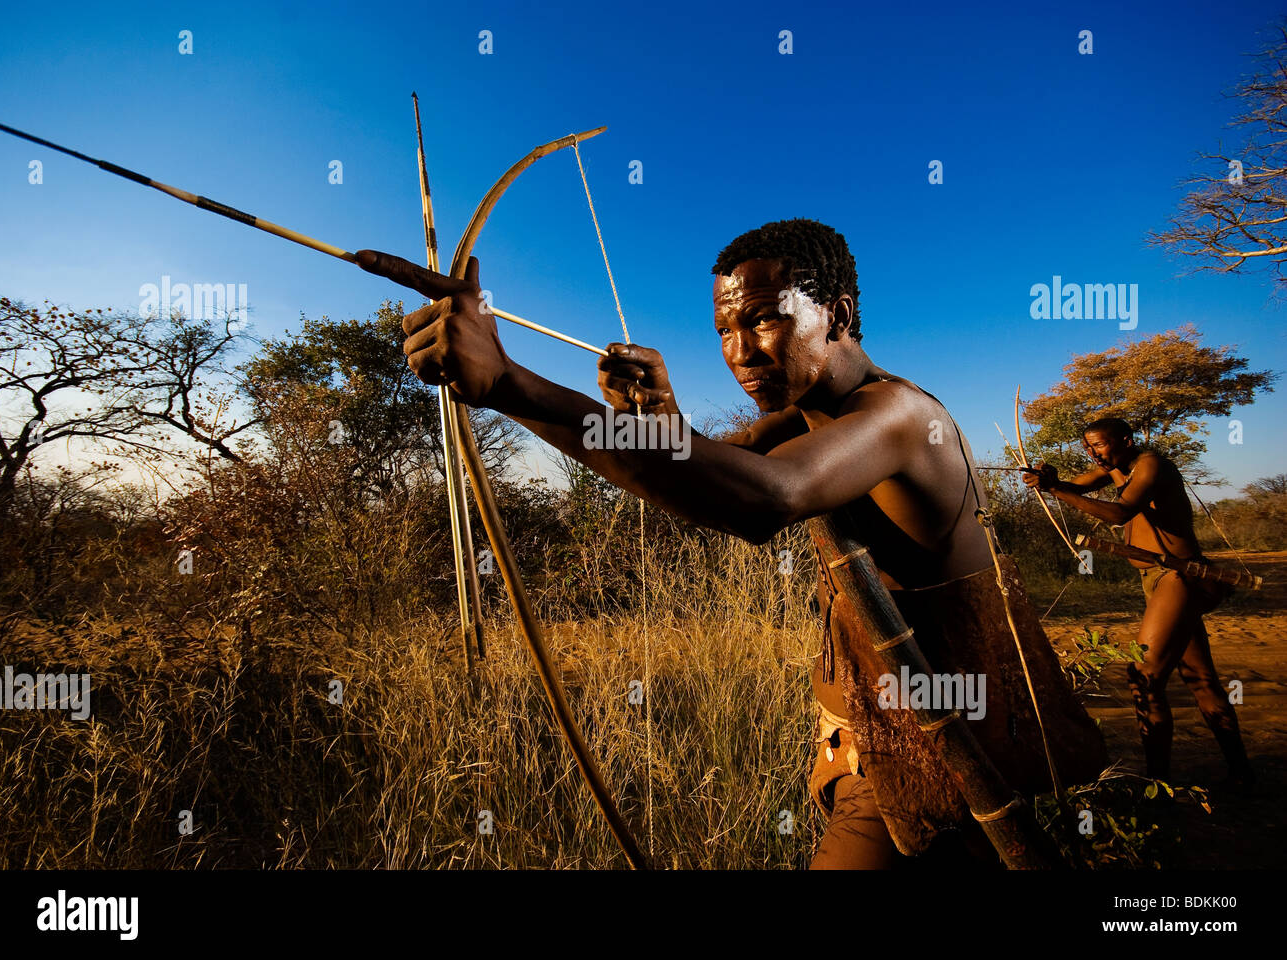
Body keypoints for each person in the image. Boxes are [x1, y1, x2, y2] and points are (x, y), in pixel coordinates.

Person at [363, 217, 1105, 868]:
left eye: (761, 321)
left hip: (942, 756)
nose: (740, 351)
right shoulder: (801, 420)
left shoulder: (898, 416)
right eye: (723, 330)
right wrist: (663, 424)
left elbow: (761, 499)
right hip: (875, 750)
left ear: (839, 314)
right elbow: (712, 466)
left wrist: (507, 385)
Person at [1024, 419, 1253, 787]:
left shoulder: (1150, 464)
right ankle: (1243, 775)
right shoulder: (1118, 469)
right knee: (1201, 681)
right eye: (1088, 447)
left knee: (1145, 680)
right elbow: (1075, 485)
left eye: (1099, 445)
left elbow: (1120, 513)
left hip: (1176, 578)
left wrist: (1057, 490)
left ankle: (1157, 783)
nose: (1093, 453)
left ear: (1126, 441)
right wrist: (1048, 481)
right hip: (1159, 579)